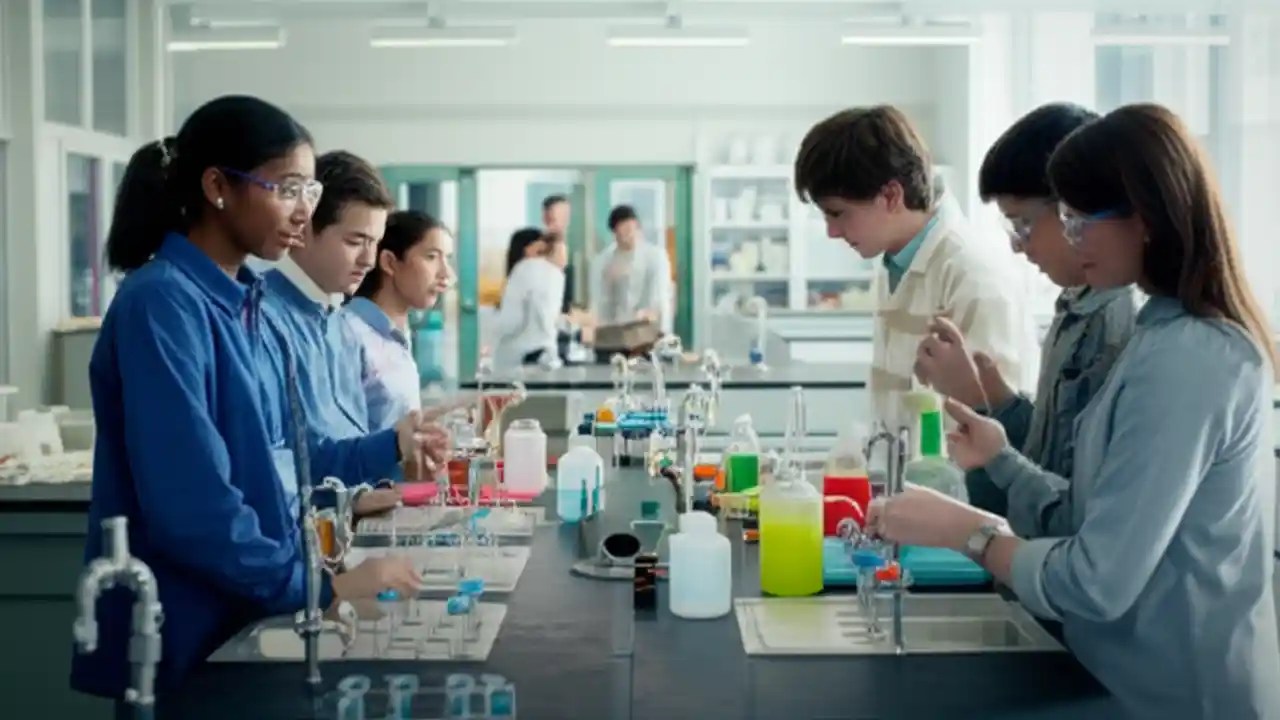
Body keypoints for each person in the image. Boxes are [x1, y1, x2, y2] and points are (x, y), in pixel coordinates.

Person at [868, 104, 1280, 719]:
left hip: (1177, 692)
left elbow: (1094, 579)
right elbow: (1092, 513)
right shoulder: (1157, 336)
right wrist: (1002, 462)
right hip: (1120, 672)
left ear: (1143, 216)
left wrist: (967, 532)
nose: (1070, 237)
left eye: (1079, 219)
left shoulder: (1188, 356)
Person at [71, 96, 424, 706]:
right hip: (189, 624)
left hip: (253, 604)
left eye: (310, 193)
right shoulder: (162, 304)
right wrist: (322, 584)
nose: (302, 213)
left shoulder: (246, 301)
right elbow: (193, 506)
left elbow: (287, 451)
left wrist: (386, 448)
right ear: (217, 187)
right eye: (288, 189)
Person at [912, 103, 1137, 536]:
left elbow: (1077, 506)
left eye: (1025, 224)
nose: (1018, 246)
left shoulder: (1120, 321)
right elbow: (1053, 448)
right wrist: (999, 401)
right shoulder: (1077, 302)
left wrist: (973, 403)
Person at [794, 105, 1035, 427]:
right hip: (901, 474)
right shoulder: (894, 264)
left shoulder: (973, 273)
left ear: (892, 195)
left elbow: (997, 430)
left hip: (951, 478)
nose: (832, 232)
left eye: (838, 213)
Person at [260, 150, 430, 496]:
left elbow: (346, 445)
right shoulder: (264, 321)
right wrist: (390, 449)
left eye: (374, 243)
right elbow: (290, 467)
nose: (369, 260)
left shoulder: (339, 323)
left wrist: (401, 446)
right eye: (355, 242)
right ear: (303, 228)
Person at [346, 210, 456, 432]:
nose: (447, 273)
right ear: (390, 262)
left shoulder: (397, 333)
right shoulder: (349, 334)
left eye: (448, 258)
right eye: (432, 257)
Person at [589, 204, 674, 335]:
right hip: (616, 330)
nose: (628, 235)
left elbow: (660, 295)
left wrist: (651, 315)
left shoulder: (655, 256)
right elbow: (600, 301)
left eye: (631, 228)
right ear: (614, 233)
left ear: (638, 227)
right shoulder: (605, 261)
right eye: (622, 230)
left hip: (648, 330)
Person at [494, 229, 567, 368]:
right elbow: (546, 316)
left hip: (514, 353)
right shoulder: (547, 273)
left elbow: (509, 323)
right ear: (528, 249)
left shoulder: (518, 273)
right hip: (535, 352)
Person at [542, 194, 574, 312]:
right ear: (545, 217)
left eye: (566, 215)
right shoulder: (540, 247)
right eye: (559, 215)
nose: (564, 220)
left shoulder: (563, 244)